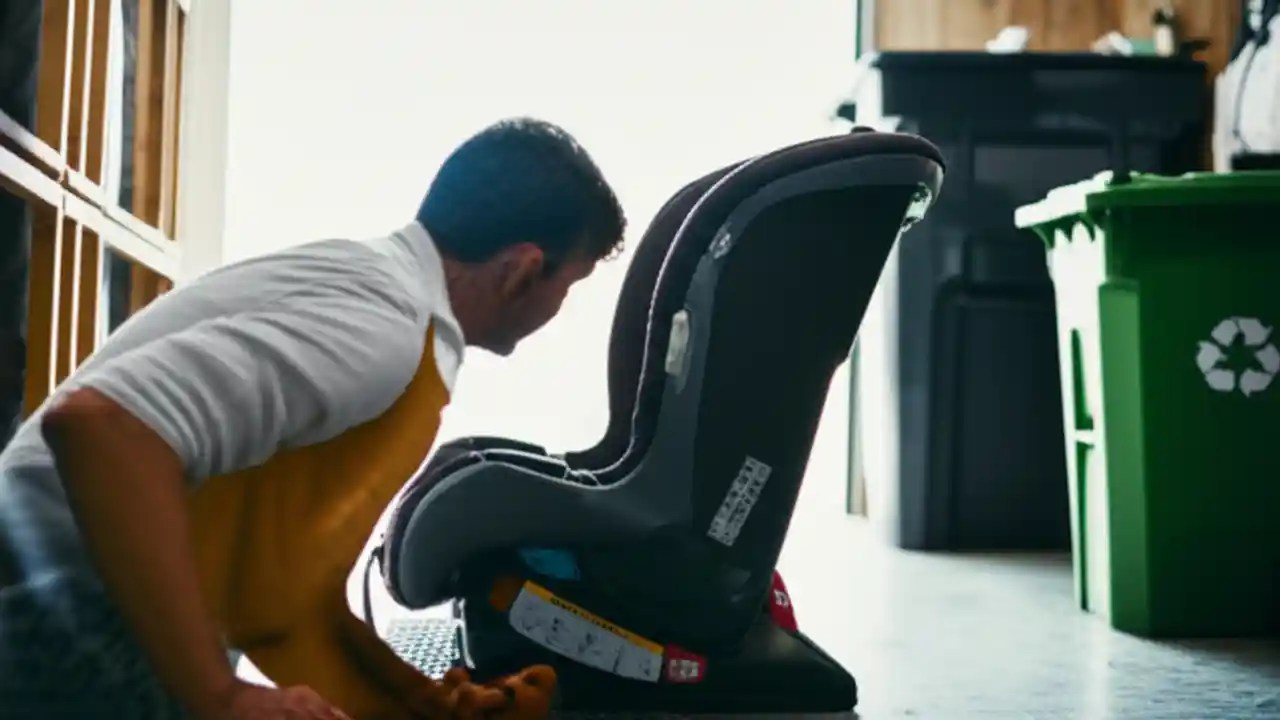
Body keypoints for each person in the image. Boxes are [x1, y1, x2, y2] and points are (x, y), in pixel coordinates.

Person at [0, 117, 626, 719]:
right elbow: (98, 427)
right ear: (520, 269)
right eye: (567, 284)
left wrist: (420, 702)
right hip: (46, 610)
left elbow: (277, 602)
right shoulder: (381, 328)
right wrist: (223, 698)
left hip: (83, 608)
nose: (559, 307)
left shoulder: (387, 307)